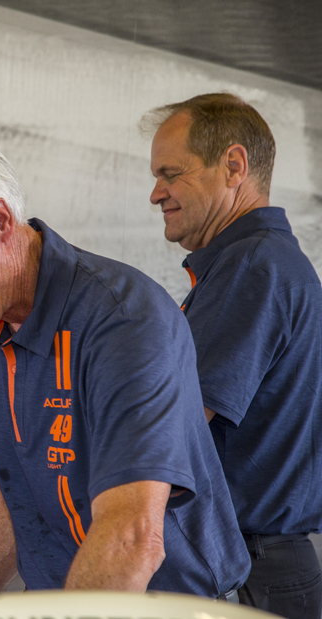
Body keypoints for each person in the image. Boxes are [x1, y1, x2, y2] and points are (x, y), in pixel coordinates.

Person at [0, 129, 249, 596]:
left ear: (0, 220)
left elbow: (133, 539)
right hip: (62, 598)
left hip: (162, 603)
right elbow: (20, 476)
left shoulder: (124, 322)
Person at [144, 93, 322, 618]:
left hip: (244, 572)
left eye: (170, 173)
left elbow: (171, 427)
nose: (156, 193)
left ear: (234, 166)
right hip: (252, 567)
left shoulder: (252, 266)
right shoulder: (258, 263)